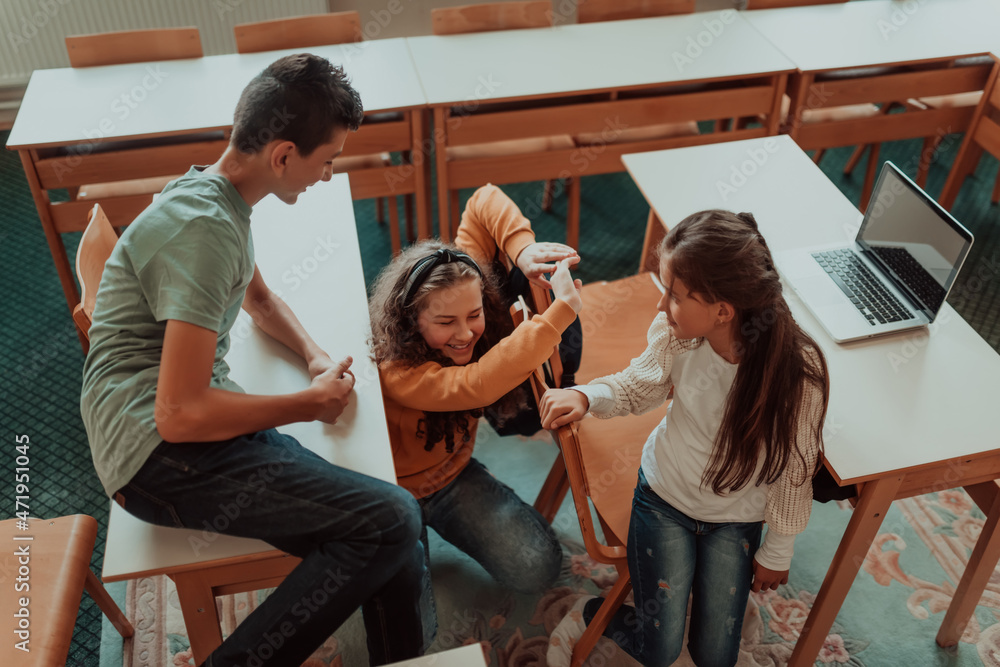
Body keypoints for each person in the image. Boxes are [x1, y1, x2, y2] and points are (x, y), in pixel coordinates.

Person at [80, 54, 428, 667]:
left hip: (170, 426)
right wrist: (307, 405)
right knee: (393, 519)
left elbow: (259, 300)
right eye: (327, 160)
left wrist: (315, 357)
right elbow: (178, 415)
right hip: (154, 457)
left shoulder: (211, 194)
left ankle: (404, 658)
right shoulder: (204, 231)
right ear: (283, 155)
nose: (327, 176)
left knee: (387, 527)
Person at [541, 210, 830, 667]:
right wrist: (586, 394)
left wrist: (778, 548)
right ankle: (591, 612)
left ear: (723, 311)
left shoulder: (799, 373)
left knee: (715, 658)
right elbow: (639, 385)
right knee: (660, 651)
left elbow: (795, 469)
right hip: (664, 501)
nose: (660, 306)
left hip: (735, 519)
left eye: (674, 295)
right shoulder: (677, 337)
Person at [368, 184, 582, 596]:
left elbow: (484, 198)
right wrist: (559, 315)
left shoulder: (461, 278)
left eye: (474, 314)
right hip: (391, 491)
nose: (465, 333)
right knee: (399, 595)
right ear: (411, 320)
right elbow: (477, 384)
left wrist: (523, 250)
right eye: (445, 322)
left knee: (538, 566)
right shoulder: (396, 370)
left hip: (451, 476)